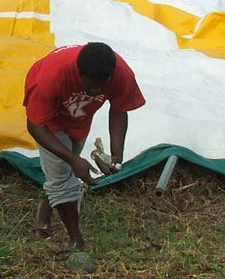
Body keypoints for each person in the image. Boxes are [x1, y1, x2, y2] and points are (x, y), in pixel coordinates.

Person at [24, 42, 145, 253]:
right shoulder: (52, 77)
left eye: (101, 86)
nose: (96, 91)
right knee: (63, 173)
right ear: (79, 74)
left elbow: (118, 110)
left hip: (79, 119)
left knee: (63, 174)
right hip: (49, 121)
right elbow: (35, 124)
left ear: (111, 76)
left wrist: (117, 155)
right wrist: (71, 158)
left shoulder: (122, 74)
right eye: (90, 86)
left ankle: (47, 204)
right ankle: (76, 241)